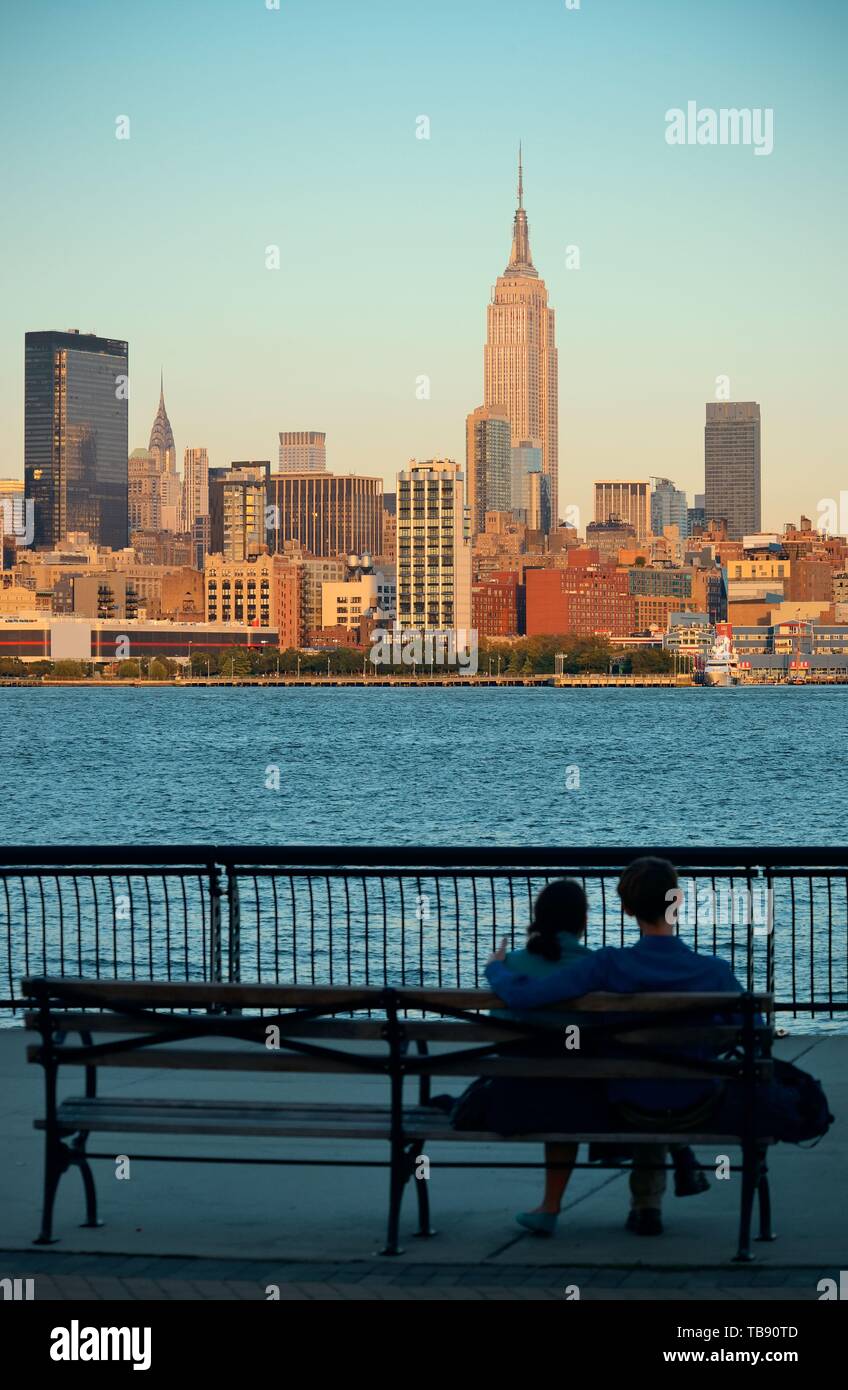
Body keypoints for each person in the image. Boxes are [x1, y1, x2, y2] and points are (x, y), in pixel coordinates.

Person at [484, 858, 737, 1237]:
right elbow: (751, 1035)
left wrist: (495, 968)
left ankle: (647, 1199)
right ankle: (649, 1202)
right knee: (664, 1075)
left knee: (639, 1076)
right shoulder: (715, 972)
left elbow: (525, 996)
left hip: (627, 1103)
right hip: (698, 1103)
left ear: (627, 908)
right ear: (678, 902)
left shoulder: (608, 965)